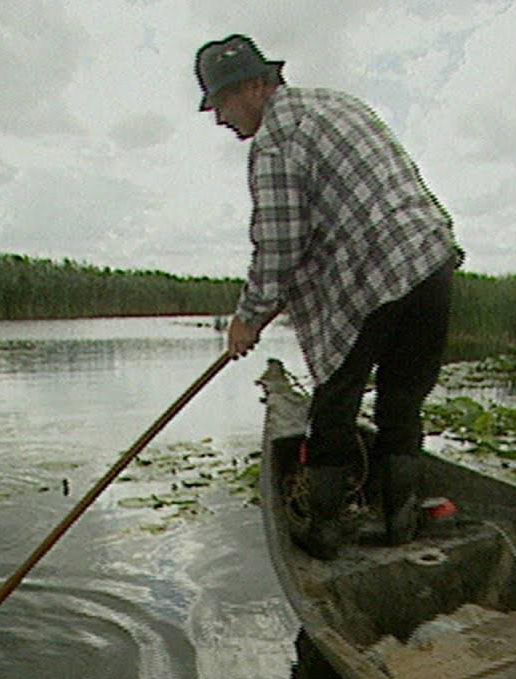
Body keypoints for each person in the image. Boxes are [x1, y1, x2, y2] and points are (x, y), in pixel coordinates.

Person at [194, 35, 463, 559]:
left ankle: (325, 533)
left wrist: (247, 317)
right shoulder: (336, 103)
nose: (220, 119)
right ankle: (399, 521)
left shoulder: (274, 141)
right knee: (400, 404)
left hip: (372, 277)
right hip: (431, 261)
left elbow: (279, 244)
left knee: (334, 408)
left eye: (222, 103)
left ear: (255, 86)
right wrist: (269, 301)